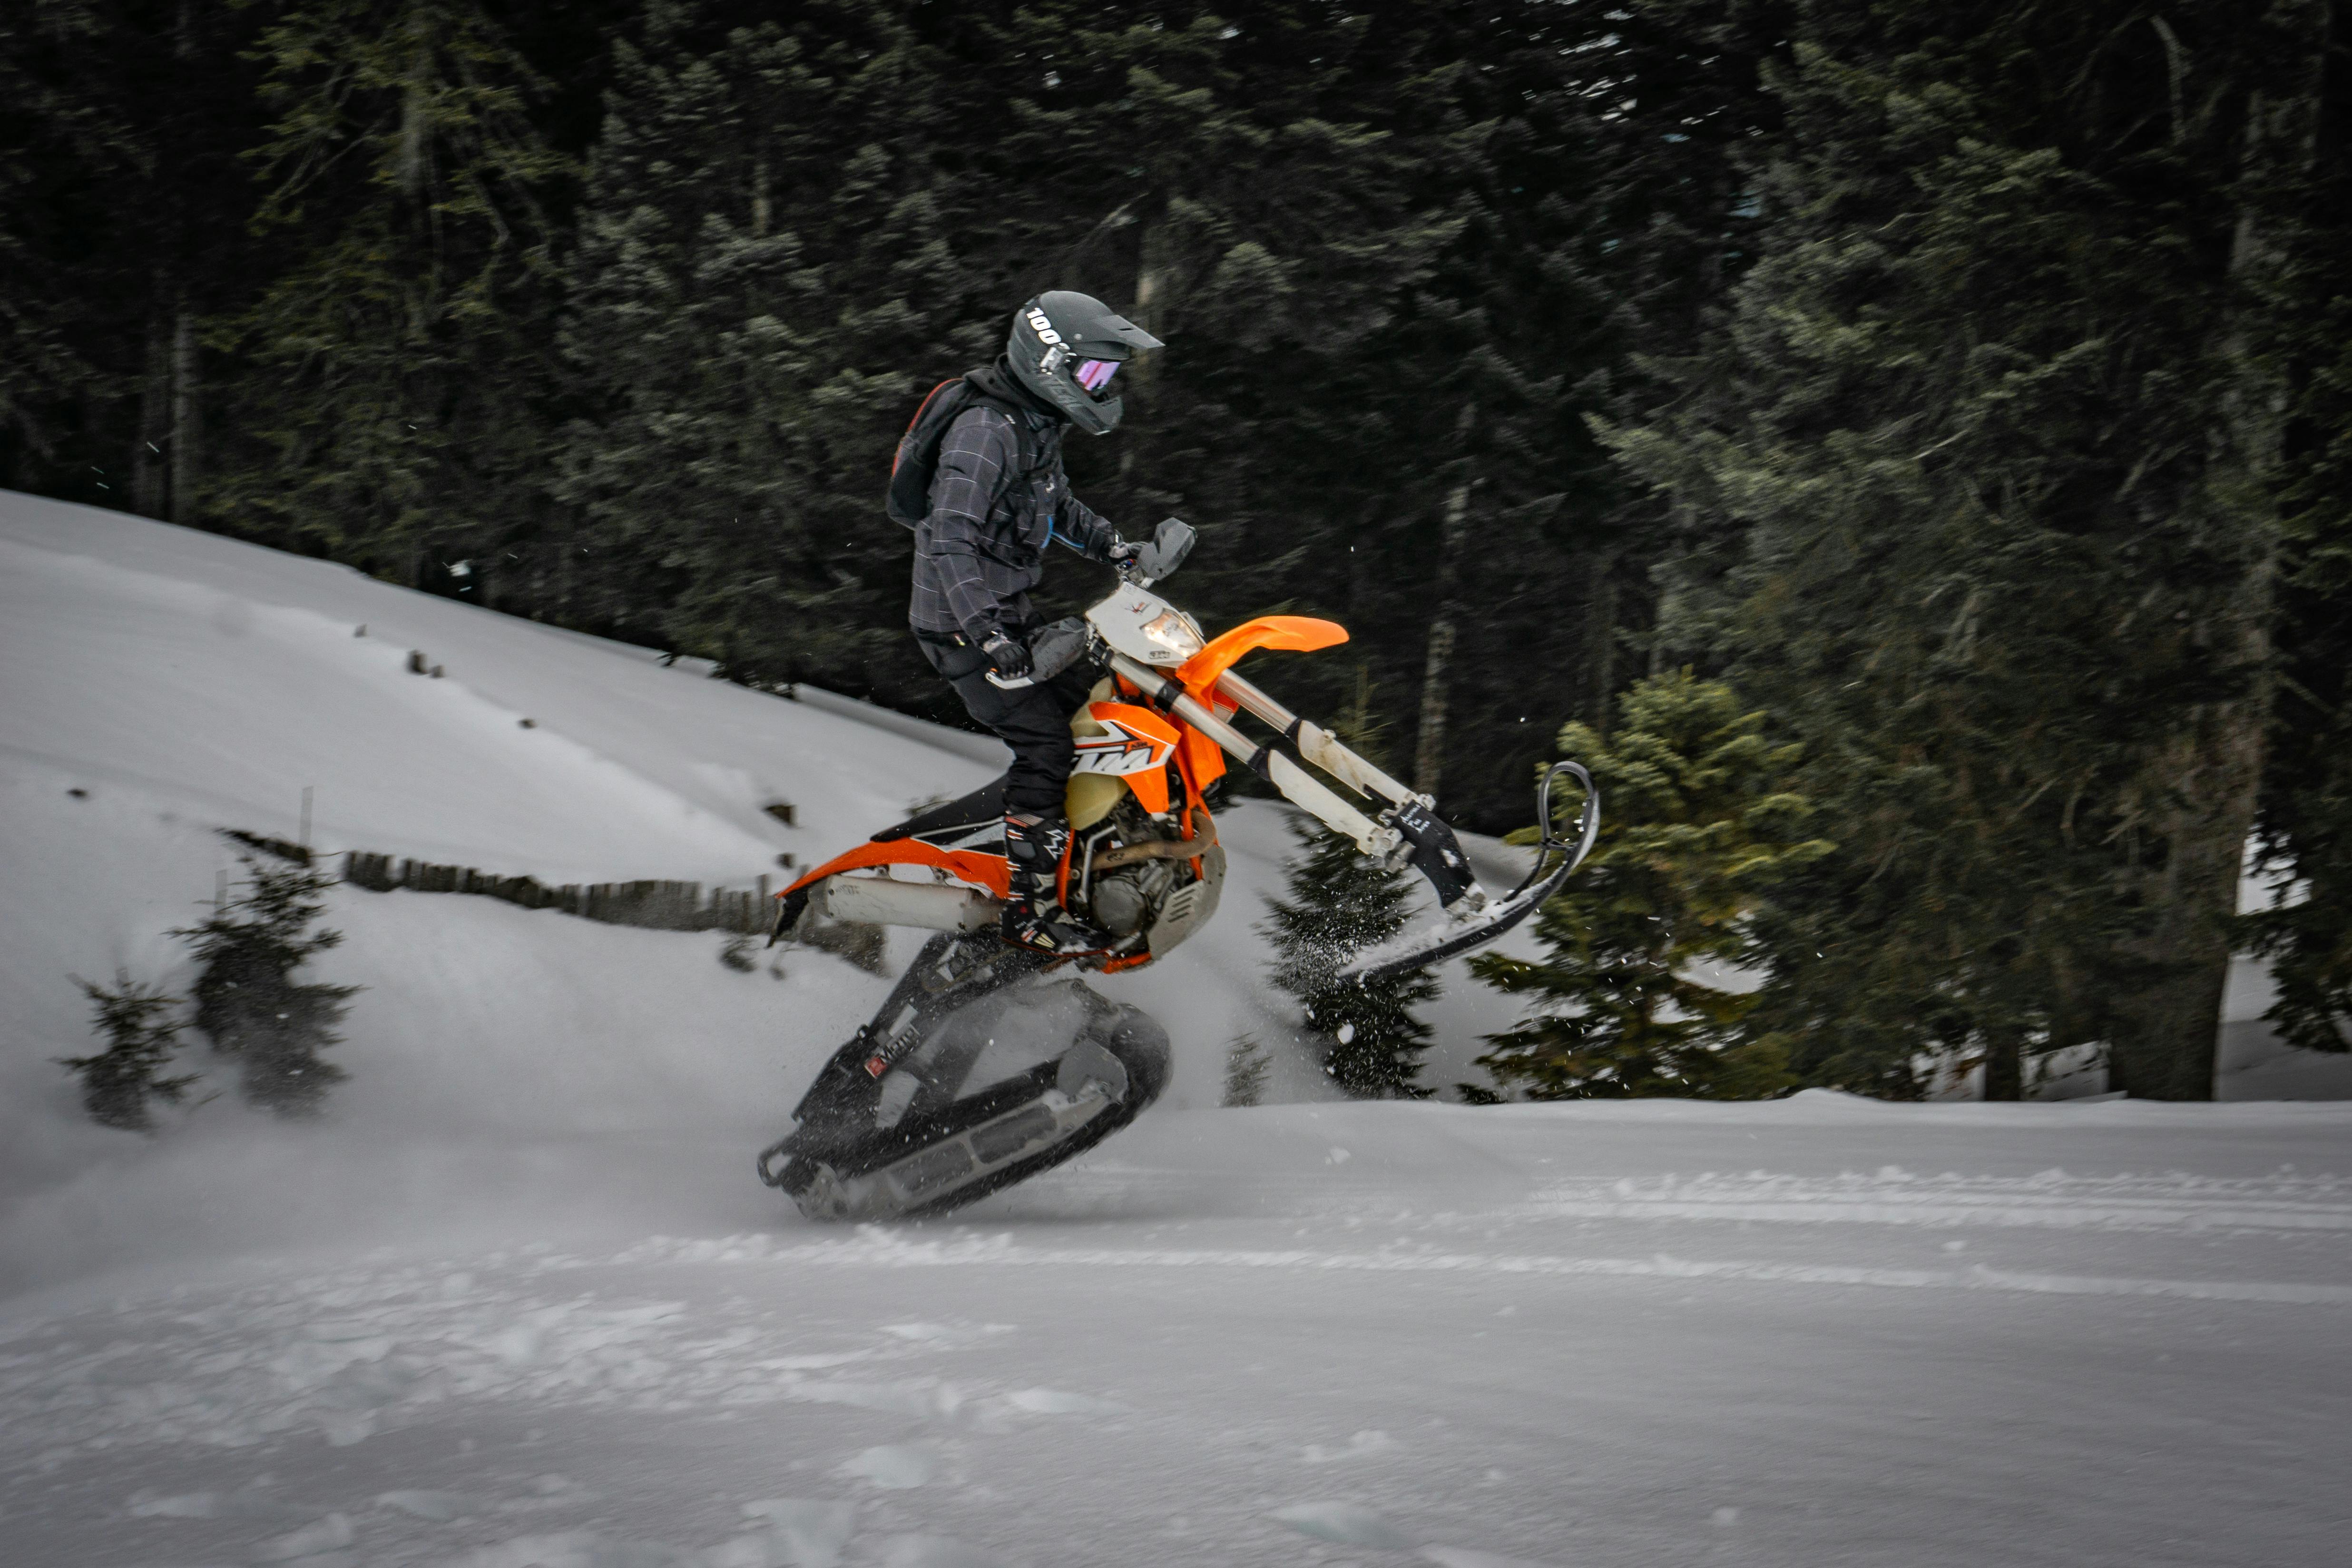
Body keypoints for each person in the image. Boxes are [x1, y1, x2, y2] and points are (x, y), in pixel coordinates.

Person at [909, 290, 1162, 954]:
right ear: (1050, 361)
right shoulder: (984, 432)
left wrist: (1118, 548)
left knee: (1098, 713)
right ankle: (1029, 910)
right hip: (961, 626)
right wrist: (988, 633)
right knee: (1047, 745)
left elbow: (1060, 507)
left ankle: (1094, 866)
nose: (1104, 387)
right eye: (1095, 372)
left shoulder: (1034, 424)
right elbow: (950, 538)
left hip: (1006, 615)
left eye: (1109, 375)